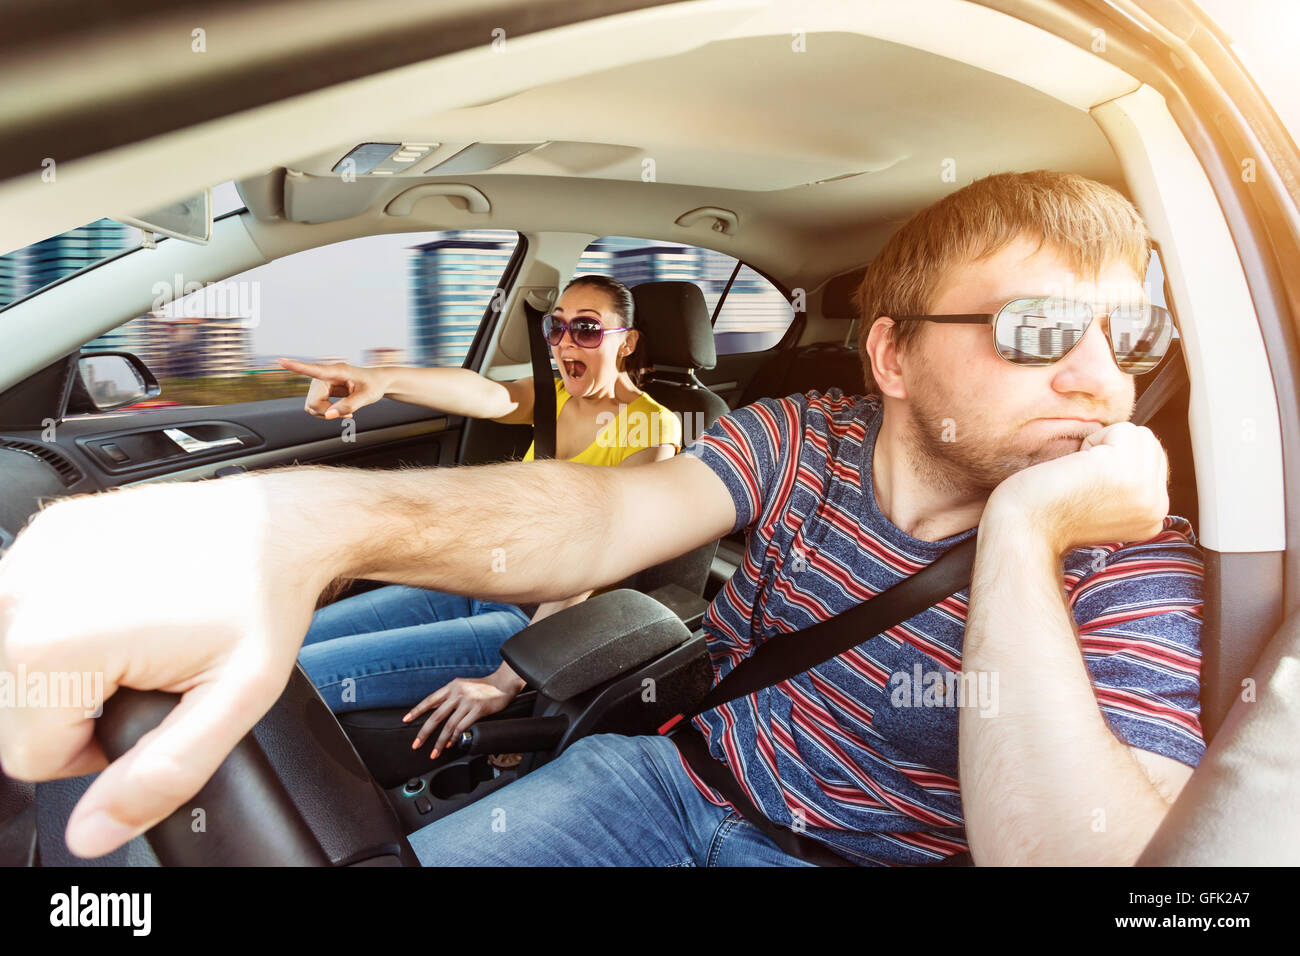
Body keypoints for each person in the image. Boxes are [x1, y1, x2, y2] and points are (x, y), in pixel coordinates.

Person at [0, 170, 1202, 866]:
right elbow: (596, 511)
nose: (1100, 380)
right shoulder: (801, 436)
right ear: (890, 353)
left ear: (626, 341)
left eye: (1126, 339)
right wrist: (293, 521)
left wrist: (1021, 534)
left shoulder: (1129, 563)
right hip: (670, 773)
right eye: (1041, 329)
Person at [278, 274, 681, 756]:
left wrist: (507, 678)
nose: (567, 342)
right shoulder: (552, 397)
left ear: (627, 342)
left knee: (303, 677)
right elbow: (485, 393)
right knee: (286, 636)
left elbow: (595, 559)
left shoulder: (652, 427)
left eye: (588, 329)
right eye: (558, 328)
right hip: (473, 579)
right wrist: (382, 379)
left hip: (530, 621)